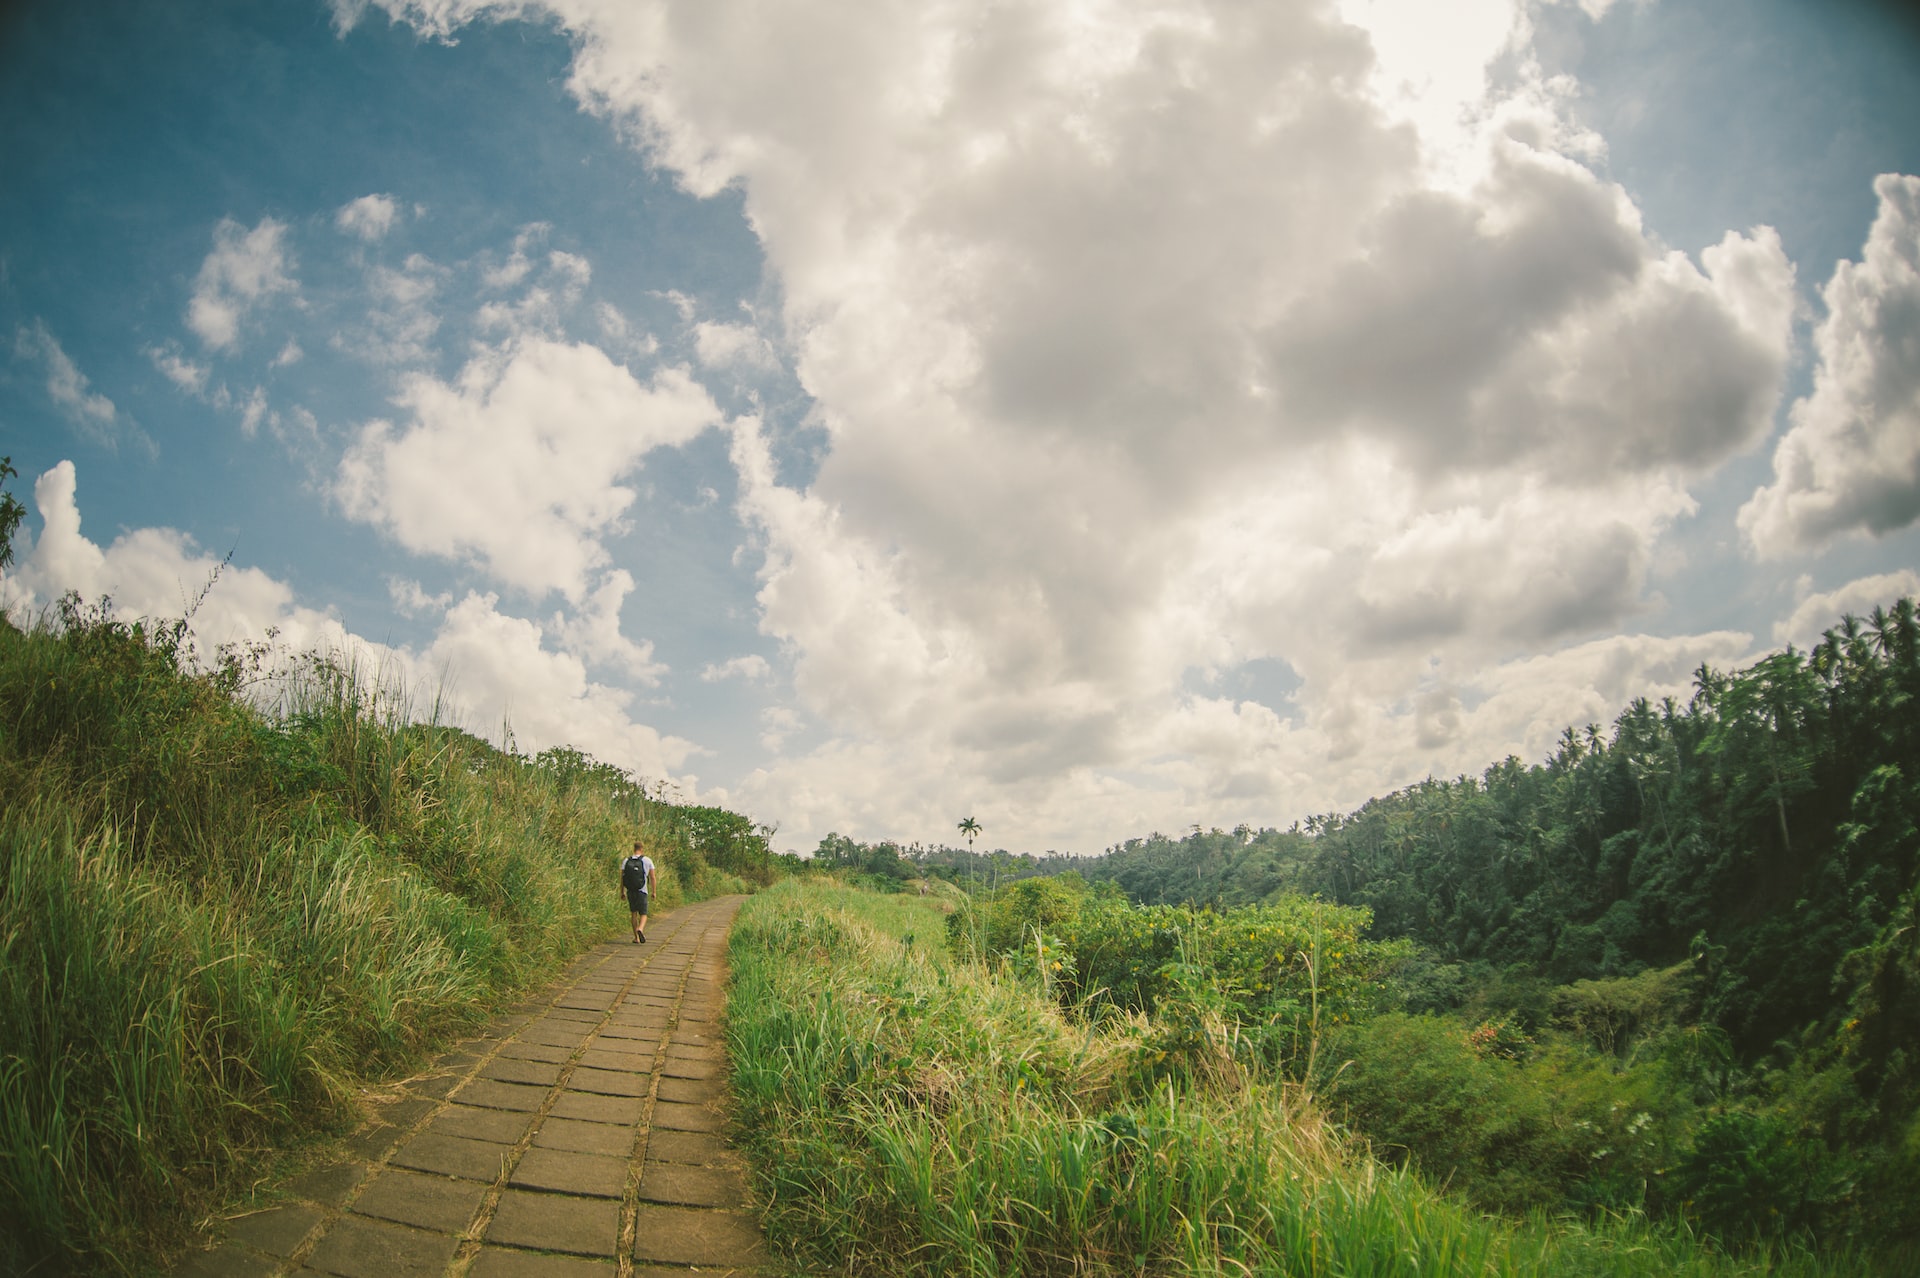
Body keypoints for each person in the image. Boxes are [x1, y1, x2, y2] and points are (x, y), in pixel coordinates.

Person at [619, 839, 655, 944]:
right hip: (642, 890)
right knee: (643, 913)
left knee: (633, 913)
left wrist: (622, 892)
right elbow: (652, 877)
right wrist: (654, 892)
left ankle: (636, 937)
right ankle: (641, 928)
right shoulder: (647, 860)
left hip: (631, 890)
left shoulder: (626, 861)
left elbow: (622, 878)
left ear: (634, 849)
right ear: (642, 849)